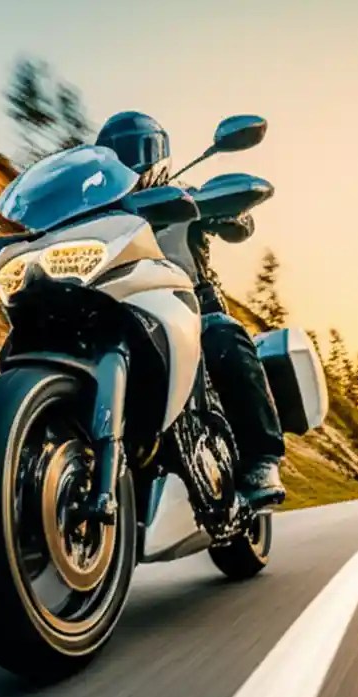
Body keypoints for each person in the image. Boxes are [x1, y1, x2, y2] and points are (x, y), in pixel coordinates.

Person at [95, 111, 287, 507]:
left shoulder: (182, 195)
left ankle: (261, 457)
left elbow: (240, 224)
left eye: (140, 151)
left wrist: (226, 214)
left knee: (222, 336)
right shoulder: (103, 213)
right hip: (123, 308)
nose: (133, 162)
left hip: (192, 305)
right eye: (120, 155)